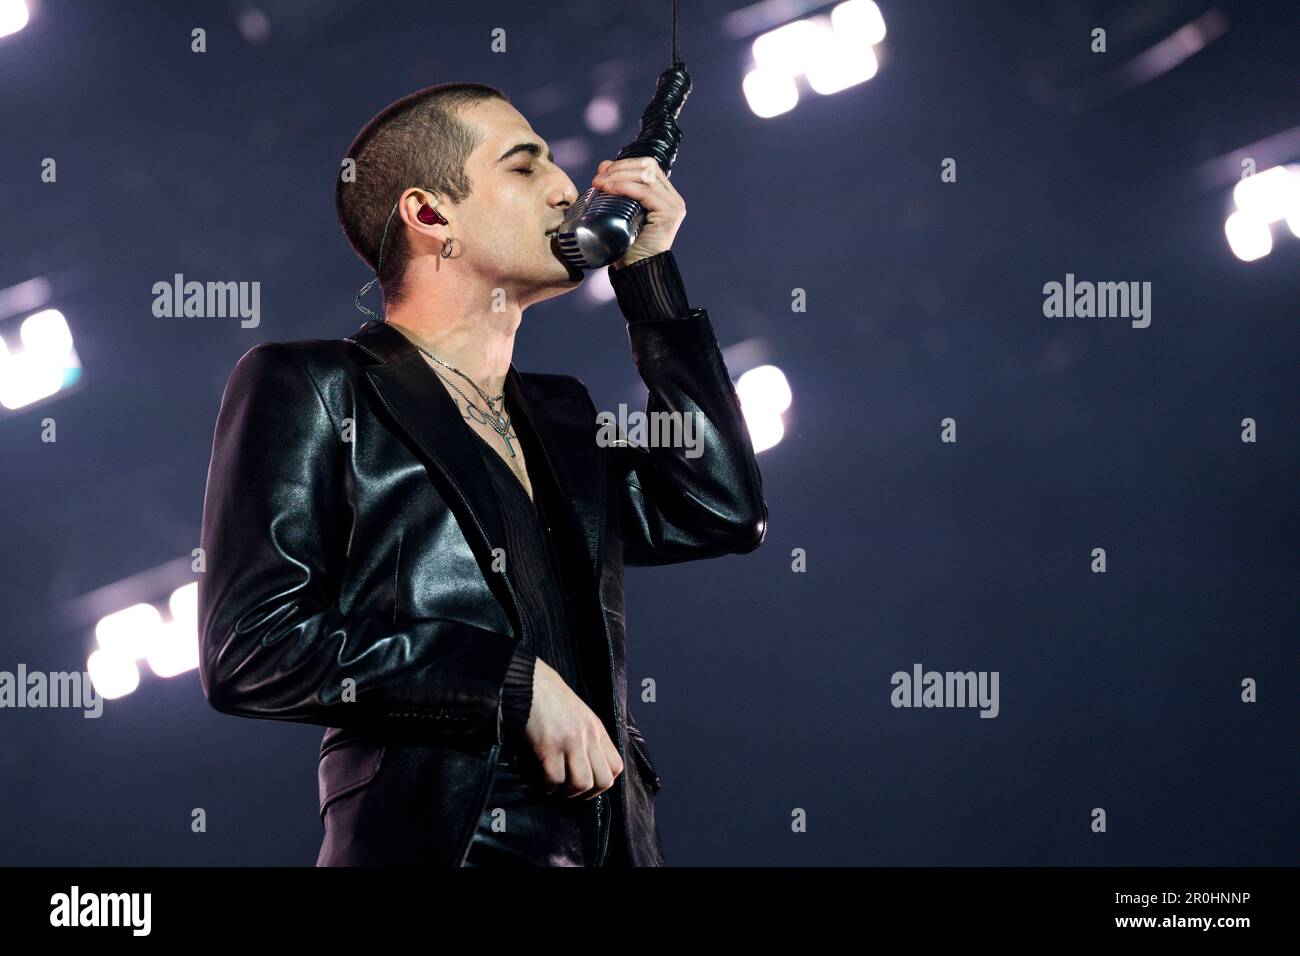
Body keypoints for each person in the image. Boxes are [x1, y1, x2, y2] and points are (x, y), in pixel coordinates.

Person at [196, 81, 767, 866]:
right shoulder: (313, 385)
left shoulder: (562, 418)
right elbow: (251, 648)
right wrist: (504, 683)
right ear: (431, 215)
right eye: (526, 167)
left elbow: (718, 507)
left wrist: (650, 280)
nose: (570, 187)